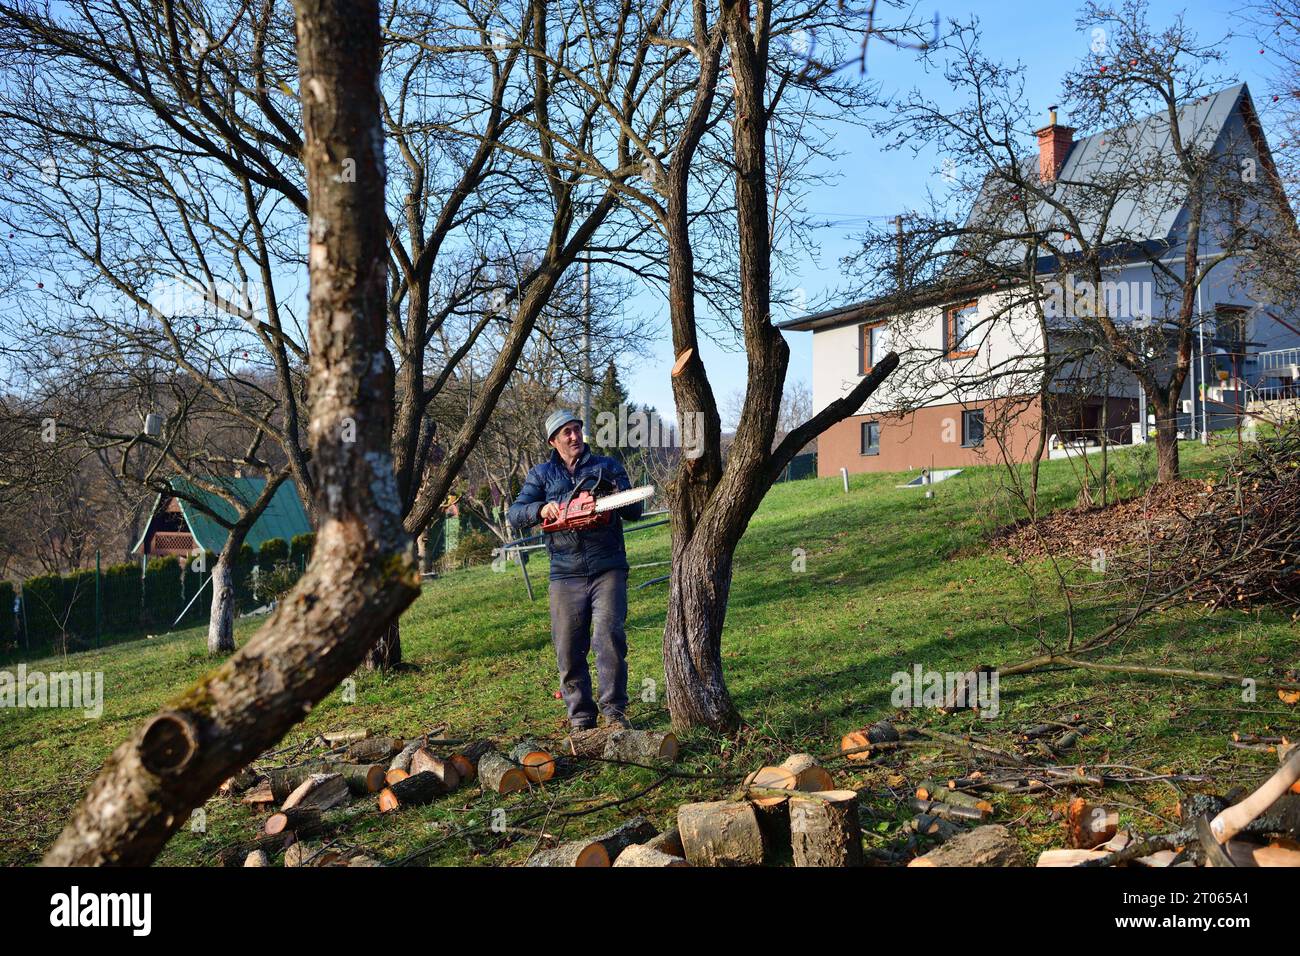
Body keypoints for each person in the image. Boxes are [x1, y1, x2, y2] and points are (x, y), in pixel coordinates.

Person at [508, 409, 645, 731]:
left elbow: (636, 510)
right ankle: (581, 717)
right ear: (553, 441)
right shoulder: (541, 475)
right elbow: (515, 513)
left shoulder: (606, 467)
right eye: (566, 432)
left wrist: (613, 495)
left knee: (608, 637)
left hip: (607, 567)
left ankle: (613, 711)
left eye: (576, 429)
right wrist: (540, 508)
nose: (574, 437)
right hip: (564, 572)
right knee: (568, 647)